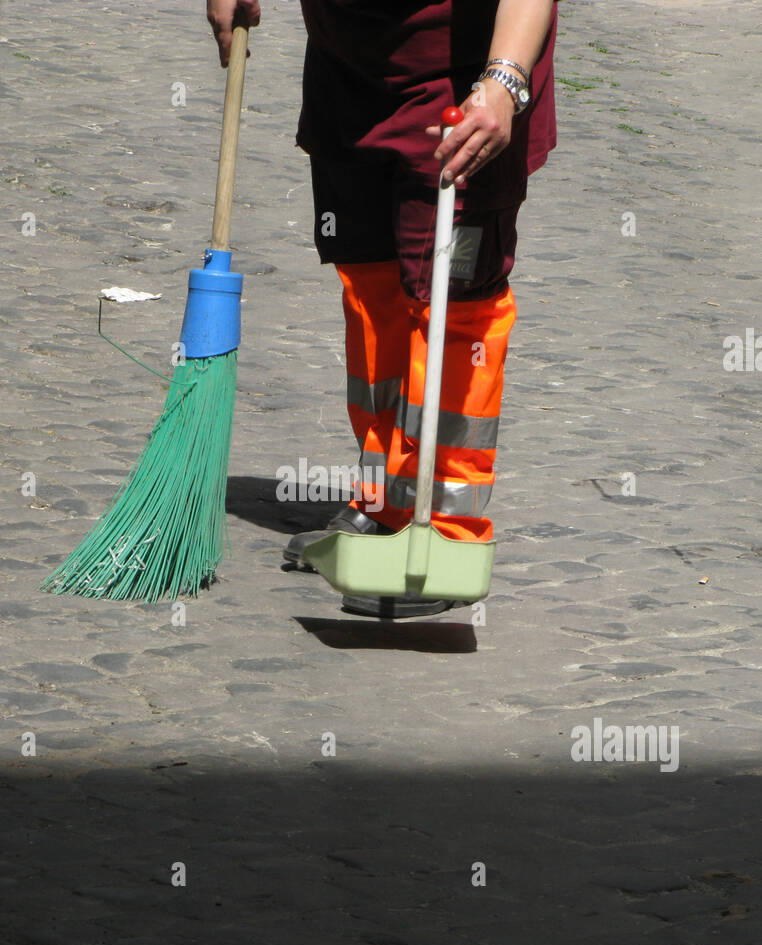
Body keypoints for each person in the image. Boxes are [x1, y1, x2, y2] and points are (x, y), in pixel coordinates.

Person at [208, 0, 560, 618]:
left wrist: (505, 80)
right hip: (351, 77)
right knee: (371, 287)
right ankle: (386, 502)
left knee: (452, 308)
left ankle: (443, 531)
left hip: (464, 88)